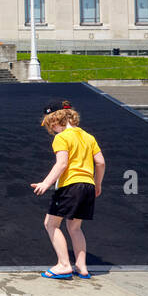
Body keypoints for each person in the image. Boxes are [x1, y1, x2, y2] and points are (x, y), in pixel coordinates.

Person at [31, 99, 104, 280]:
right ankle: (82, 266)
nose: (51, 129)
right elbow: (101, 162)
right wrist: (98, 184)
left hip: (70, 185)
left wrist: (45, 183)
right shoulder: (88, 137)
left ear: (56, 119)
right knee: (75, 227)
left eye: (50, 124)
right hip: (88, 185)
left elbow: (62, 163)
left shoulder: (61, 137)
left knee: (51, 223)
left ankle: (64, 265)